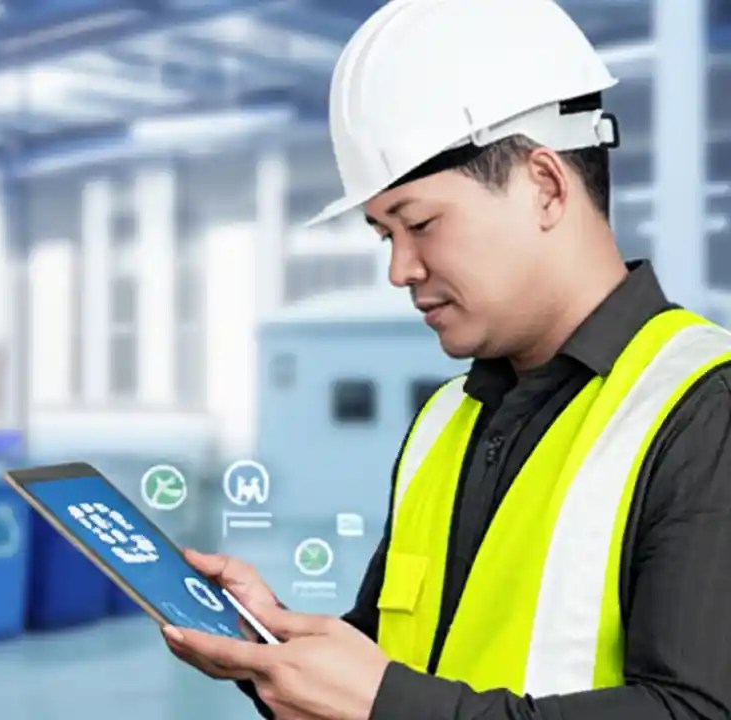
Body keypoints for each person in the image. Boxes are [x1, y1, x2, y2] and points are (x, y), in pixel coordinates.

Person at [162, 1, 731, 718]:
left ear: (546, 187)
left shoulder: (703, 409)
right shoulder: (445, 420)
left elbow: (699, 710)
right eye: (383, 235)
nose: (400, 269)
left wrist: (389, 706)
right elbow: (395, 664)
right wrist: (270, 645)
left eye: (421, 223)